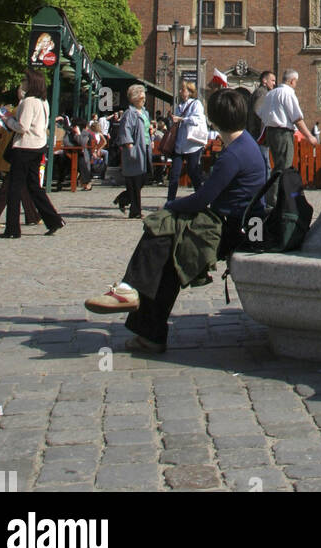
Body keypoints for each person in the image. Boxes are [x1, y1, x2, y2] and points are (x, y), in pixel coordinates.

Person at [84, 87, 268, 352]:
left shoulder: (233, 154)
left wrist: (171, 204)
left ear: (213, 120)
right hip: (242, 224)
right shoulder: (245, 144)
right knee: (166, 252)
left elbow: (202, 198)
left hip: (232, 229)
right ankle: (148, 330)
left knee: (163, 224)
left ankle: (129, 291)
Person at [0, 72, 64, 238]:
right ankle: (54, 219)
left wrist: (7, 119)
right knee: (34, 186)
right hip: (38, 145)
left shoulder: (28, 102)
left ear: (31, 82)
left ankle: (12, 229)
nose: (22, 82)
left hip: (25, 147)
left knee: (14, 187)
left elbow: (22, 127)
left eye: (24, 80)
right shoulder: (43, 102)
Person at [257, 70, 318, 206]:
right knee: (283, 167)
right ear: (292, 81)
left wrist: (263, 135)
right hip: (283, 133)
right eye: (296, 82)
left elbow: (262, 116)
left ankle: (273, 198)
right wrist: (309, 136)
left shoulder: (271, 94)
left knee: (277, 166)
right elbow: (297, 117)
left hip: (271, 132)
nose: (296, 85)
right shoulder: (287, 93)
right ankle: (276, 200)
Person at [166, 81, 208, 201]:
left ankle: (201, 198)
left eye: (182, 90)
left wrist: (181, 119)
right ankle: (170, 201)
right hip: (180, 144)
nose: (180, 92)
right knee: (174, 173)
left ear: (189, 91)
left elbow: (197, 120)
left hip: (192, 144)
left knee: (193, 172)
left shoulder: (196, 104)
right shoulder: (179, 106)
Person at [117, 84, 150, 218]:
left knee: (143, 178)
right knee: (135, 181)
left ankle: (124, 198)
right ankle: (135, 211)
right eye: (141, 97)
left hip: (145, 147)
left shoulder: (145, 112)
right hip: (135, 149)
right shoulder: (129, 113)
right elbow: (126, 131)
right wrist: (129, 147)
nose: (144, 99)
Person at [247, 71, 275, 141]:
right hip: (259, 135)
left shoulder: (259, 91)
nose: (274, 83)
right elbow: (257, 110)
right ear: (264, 80)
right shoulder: (263, 92)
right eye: (272, 80)